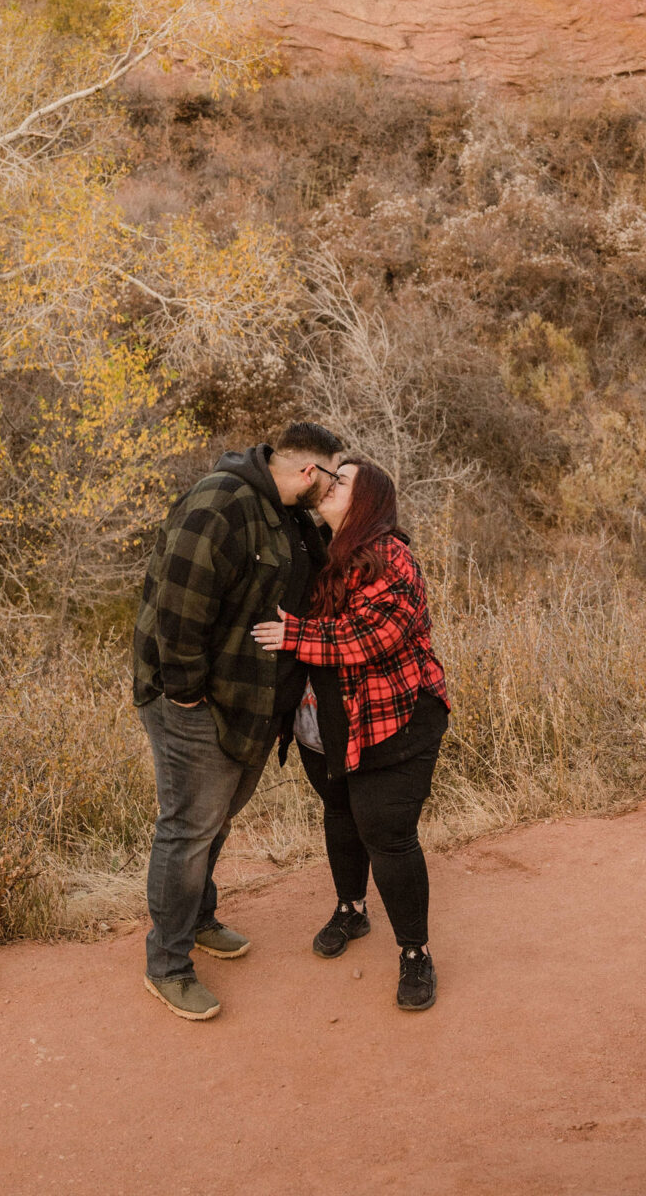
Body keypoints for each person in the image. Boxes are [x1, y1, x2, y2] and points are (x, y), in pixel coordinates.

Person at [132, 421, 346, 1021]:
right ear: (309, 472)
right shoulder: (221, 502)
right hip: (196, 702)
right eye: (330, 476)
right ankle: (167, 964)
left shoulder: (289, 516)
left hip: (250, 704)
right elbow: (178, 605)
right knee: (187, 828)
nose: (330, 489)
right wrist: (185, 696)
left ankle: (198, 920)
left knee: (216, 819)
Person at [252, 458, 449, 1013]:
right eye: (331, 476)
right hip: (328, 723)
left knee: (386, 832)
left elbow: (372, 637)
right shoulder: (320, 549)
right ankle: (351, 909)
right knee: (340, 813)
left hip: (394, 721)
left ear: (366, 502)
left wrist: (295, 635)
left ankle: (415, 952)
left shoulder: (391, 555)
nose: (329, 484)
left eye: (342, 482)